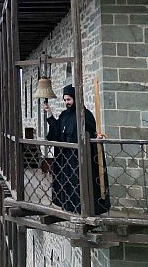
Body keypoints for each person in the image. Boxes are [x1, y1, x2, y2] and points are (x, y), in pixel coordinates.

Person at [43, 84, 110, 215]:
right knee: (68, 184)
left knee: (79, 184)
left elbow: (90, 132)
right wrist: (49, 114)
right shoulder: (64, 115)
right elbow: (56, 132)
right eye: (65, 100)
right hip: (65, 158)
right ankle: (68, 206)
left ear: (75, 99)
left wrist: (96, 136)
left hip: (79, 159)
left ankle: (83, 208)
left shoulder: (85, 115)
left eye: (69, 99)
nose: (66, 102)